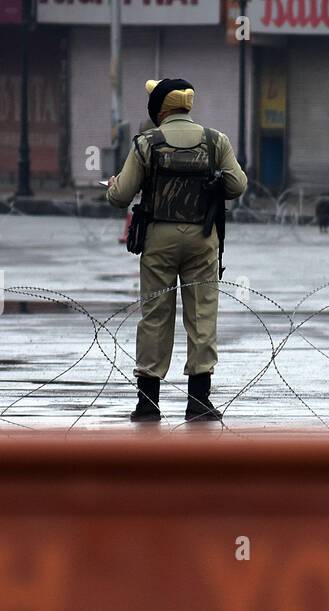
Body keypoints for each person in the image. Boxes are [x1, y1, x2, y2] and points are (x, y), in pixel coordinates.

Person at [107, 78, 247, 422]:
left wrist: (112, 186)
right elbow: (238, 184)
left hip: (159, 239)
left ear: (159, 110)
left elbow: (121, 196)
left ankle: (148, 404)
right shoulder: (215, 141)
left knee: (155, 315)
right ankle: (199, 401)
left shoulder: (146, 143)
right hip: (202, 238)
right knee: (201, 315)